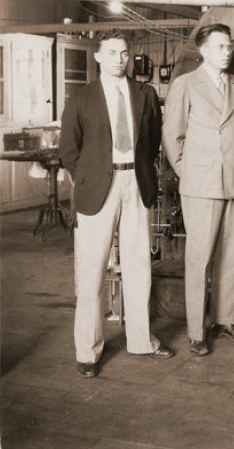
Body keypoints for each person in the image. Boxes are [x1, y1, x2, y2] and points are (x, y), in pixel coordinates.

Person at [60, 31, 174, 378]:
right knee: (91, 271)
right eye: (111, 53)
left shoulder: (145, 94)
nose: (118, 59)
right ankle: (87, 351)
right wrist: (88, 178)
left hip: (136, 183)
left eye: (123, 53)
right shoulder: (81, 97)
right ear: (97, 56)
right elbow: (69, 149)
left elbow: (152, 142)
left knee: (139, 266)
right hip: (97, 188)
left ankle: (141, 340)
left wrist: (140, 175)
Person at [162, 23, 234, 357]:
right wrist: (188, 173)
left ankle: (227, 319)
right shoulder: (186, 84)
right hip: (201, 183)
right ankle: (196, 332)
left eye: (228, 46)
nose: (227, 52)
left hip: (233, 181)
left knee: (232, 255)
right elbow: (172, 136)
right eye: (220, 47)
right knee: (199, 259)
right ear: (203, 51)